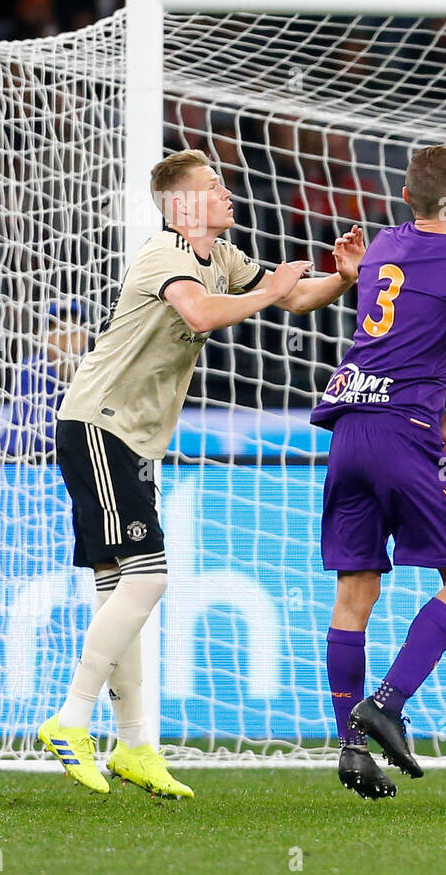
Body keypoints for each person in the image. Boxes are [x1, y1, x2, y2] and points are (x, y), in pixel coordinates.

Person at [39, 148, 364, 799]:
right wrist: (269, 290)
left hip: (131, 438)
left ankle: (135, 748)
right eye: (213, 187)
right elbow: (199, 313)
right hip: (101, 425)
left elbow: (295, 298)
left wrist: (341, 278)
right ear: (181, 204)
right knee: (150, 577)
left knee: (118, 592)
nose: (227, 193)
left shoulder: (221, 257)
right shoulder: (167, 255)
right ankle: (71, 719)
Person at [314, 146, 446, 800]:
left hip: (349, 427)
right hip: (406, 435)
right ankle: (388, 703)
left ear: (405, 198)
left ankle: (350, 748)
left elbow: (396, 336)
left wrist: (352, 271)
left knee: (354, 597)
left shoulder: (378, 250)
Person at [1, 299, 89, 457]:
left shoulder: (93, 372)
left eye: (74, 332)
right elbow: (30, 433)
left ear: (84, 337)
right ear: (43, 337)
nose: (67, 339)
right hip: (24, 461)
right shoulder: (28, 371)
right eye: (60, 331)